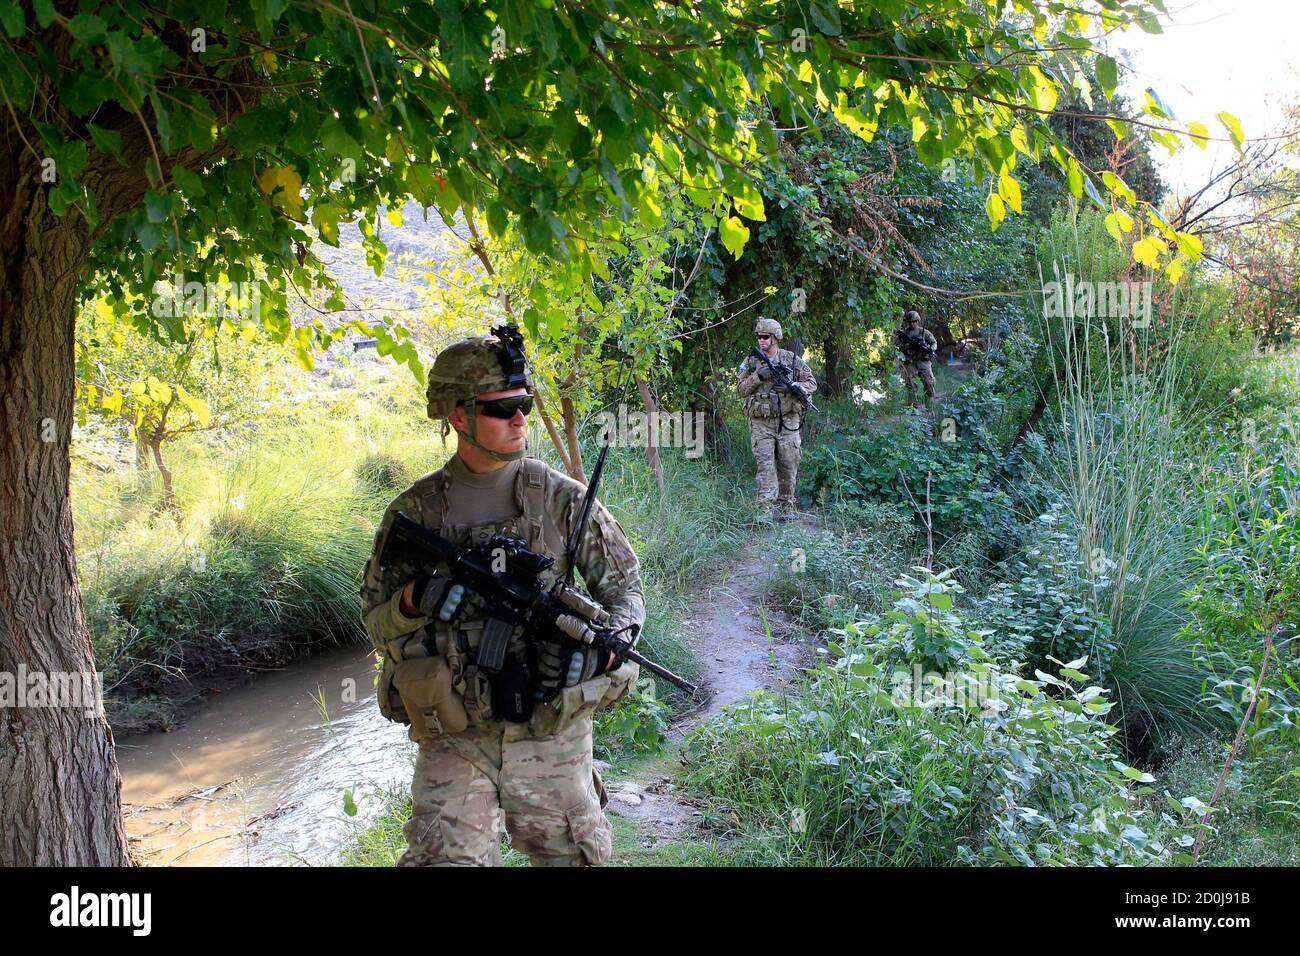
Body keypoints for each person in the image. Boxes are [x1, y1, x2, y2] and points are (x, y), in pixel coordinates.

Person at [360, 326, 644, 866]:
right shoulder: (413, 515)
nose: (520, 418)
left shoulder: (561, 498)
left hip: (549, 732)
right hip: (454, 733)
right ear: (457, 416)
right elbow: (374, 624)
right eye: (502, 407)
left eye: (525, 404)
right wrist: (415, 600)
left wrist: (605, 647)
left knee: (573, 856)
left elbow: (626, 588)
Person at [736, 317, 817, 521]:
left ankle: (786, 507)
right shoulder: (751, 361)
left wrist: (794, 388)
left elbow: (811, 383)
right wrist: (758, 377)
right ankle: (764, 511)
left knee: (789, 464)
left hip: (788, 421)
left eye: (765, 337)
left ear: (775, 338)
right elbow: (740, 390)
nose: (761, 340)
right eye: (759, 337)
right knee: (765, 466)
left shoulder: (791, 360)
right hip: (761, 423)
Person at [894, 310, 938, 408]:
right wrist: (906, 346)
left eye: (914, 321)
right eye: (910, 322)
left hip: (923, 361)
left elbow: (934, 342)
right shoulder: (904, 334)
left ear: (917, 321)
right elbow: (897, 345)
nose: (912, 323)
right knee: (910, 385)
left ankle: (929, 404)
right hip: (910, 362)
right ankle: (913, 407)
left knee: (929, 383)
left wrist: (931, 349)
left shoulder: (924, 332)